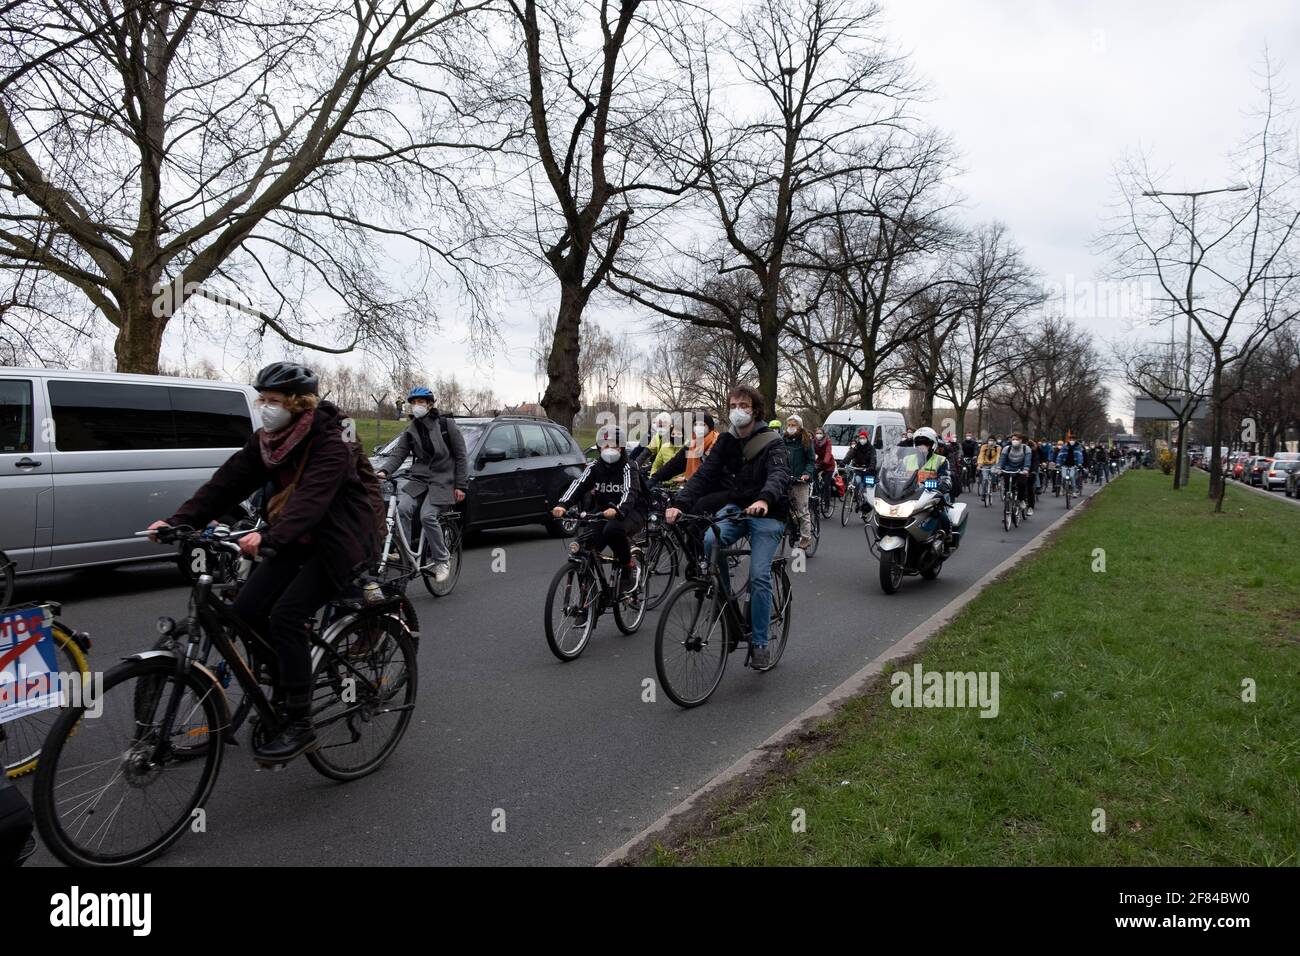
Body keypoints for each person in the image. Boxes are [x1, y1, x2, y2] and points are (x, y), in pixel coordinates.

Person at [148, 363, 379, 763]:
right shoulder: (270, 440)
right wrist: (179, 520)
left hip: (341, 539)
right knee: (246, 611)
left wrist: (272, 536)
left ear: (298, 403)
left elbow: (314, 496)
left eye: (274, 401)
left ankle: (300, 722)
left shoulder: (331, 438)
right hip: (295, 535)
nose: (266, 408)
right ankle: (290, 676)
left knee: (286, 617)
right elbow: (228, 481)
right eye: (263, 401)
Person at [666, 385, 790, 670]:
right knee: (710, 541)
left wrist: (764, 498)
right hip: (737, 507)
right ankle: (728, 609)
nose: (738, 410)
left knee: (759, 575)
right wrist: (680, 504)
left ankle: (759, 643)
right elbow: (704, 476)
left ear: (755, 410)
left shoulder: (773, 442)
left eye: (744, 405)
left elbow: (779, 474)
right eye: (733, 404)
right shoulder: (726, 441)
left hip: (768, 512)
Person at [375, 386, 468, 583]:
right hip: (419, 479)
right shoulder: (411, 429)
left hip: (443, 480)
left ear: (430, 404)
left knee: (427, 516)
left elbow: (461, 456)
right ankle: (405, 553)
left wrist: (461, 485)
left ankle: (442, 559)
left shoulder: (446, 425)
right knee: (403, 508)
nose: (416, 406)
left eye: (421, 402)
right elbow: (398, 455)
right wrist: (384, 471)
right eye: (413, 402)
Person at [552, 425, 647, 599]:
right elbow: (579, 485)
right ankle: (587, 602)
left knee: (613, 530)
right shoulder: (594, 467)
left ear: (622, 446)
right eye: (605, 444)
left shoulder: (629, 466)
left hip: (631, 512)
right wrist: (563, 504)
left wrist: (619, 510)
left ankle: (629, 567)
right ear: (599, 446)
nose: (610, 449)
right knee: (583, 548)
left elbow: (630, 492)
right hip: (602, 512)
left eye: (615, 445)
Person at [909, 427, 954, 543]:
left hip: (932, 495)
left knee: (940, 514)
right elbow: (896, 474)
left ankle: (948, 535)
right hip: (910, 494)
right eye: (919, 443)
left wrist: (941, 484)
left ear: (932, 445)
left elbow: (947, 480)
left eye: (925, 443)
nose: (922, 446)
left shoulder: (941, 460)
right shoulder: (907, 459)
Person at [651, 412, 718, 484]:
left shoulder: (718, 443)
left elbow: (711, 472)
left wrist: (687, 479)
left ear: (710, 427)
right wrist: (655, 478)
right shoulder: (692, 445)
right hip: (693, 486)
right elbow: (674, 464)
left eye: (702, 424)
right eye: (695, 424)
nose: (698, 427)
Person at [782, 414, 816, 549]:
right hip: (786, 479)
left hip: (800, 481)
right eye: (789, 425)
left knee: (802, 510)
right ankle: (790, 527)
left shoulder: (806, 440)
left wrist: (806, 474)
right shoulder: (782, 440)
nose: (790, 428)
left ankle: (806, 538)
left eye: (793, 425)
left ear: (799, 427)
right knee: (784, 506)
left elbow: (811, 460)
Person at [998, 433, 1033, 513]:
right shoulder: (1006, 448)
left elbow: (1027, 461)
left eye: (1017, 439)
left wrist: (1026, 469)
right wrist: (999, 468)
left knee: (1022, 484)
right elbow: (1002, 460)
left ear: (1021, 440)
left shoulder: (1026, 448)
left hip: (1021, 470)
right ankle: (1008, 499)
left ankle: (1020, 500)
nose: (1014, 441)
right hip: (1009, 469)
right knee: (1007, 486)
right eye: (1013, 439)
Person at [843, 428, 877, 500]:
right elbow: (850, 455)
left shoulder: (871, 448)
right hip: (858, 469)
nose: (862, 439)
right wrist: (844, 461)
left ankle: (865, 498)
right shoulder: (857, 447)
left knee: (868, 485)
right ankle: (856, 496)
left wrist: (871, 466)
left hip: (867, 470)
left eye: (863, 438)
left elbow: (873, 459)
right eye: (860, 438)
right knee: (857, 481)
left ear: (866, 438)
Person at [812, 425, 837, 504]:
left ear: (823, 434)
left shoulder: (828, 441)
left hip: (829, 464)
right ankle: (817, 491)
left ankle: (827, 503)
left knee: (826, 484)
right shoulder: (813, 441)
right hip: (819, 462)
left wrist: (825, 461)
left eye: (820, 433)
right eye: (817, 433)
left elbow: (828, 452)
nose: (818, 435)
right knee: (812, 474)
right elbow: (810, 451)